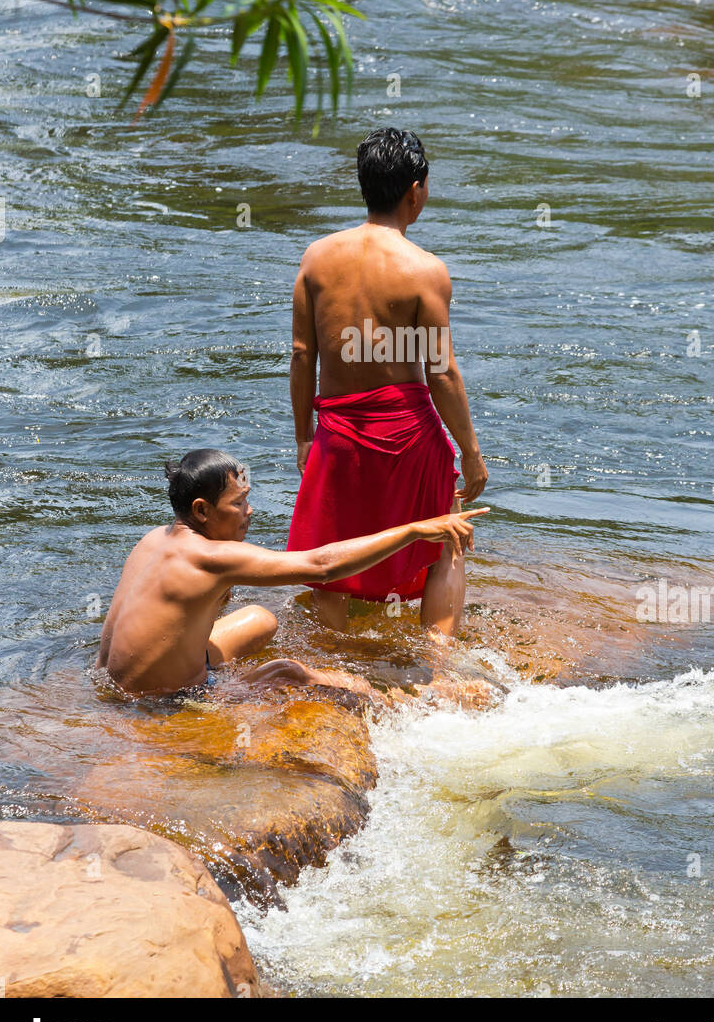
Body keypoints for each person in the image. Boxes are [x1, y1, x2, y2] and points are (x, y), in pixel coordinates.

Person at [287, 126, 488, 637]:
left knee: (330, 557)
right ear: (415, 190)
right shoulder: (425, 270)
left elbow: (301, 354)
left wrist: (305, 436)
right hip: (407, 431)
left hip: (338, 430)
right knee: (445, 540)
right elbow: (440, 370)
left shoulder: (316, 258)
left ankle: (329, 670)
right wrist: (469, 450)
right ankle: (438, 666)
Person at [96, 448, 486, 697]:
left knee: (260, 620)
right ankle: (405, 701)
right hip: (161, 702)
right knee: (289, 672)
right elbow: (323, 566)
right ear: (201, 510)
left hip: (109, 682)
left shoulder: (152, 539)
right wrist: (416, 530)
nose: (250, 511)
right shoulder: (209, 558)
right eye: (240, 502)